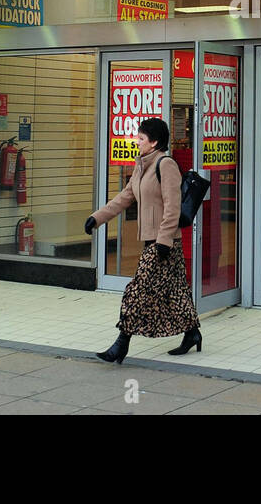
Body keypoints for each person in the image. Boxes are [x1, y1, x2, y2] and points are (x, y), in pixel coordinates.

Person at [84, 118, 201, 364]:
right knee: (175, 291)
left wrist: (163, 240)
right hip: (154, 241)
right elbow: (125, 197)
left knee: (136, 292)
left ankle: (121, 344)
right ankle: (192, 333)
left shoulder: (165, 164)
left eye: (141, 138)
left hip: (163, 244)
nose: (136, 142)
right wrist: (96, 218)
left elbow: (172, 207)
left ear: (154, 142)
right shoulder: (141, 166)